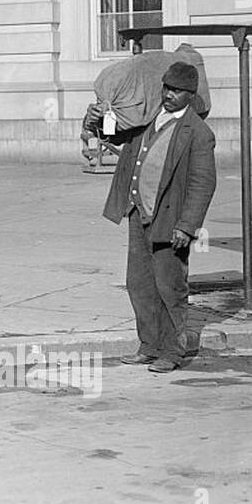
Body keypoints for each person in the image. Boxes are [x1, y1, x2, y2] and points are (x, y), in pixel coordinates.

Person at [90, 61, 217, 373]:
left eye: (177, 91)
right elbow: (115, 137)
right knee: (140, 285)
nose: (169, 95)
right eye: (166, 88)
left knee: (170, 287)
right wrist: (97, 122)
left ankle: (172, 352)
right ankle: (148, 346)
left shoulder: (198, 133)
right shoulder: (148, 119)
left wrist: (188, 227)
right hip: (138, 214)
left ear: (191, 95)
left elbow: (203, 184)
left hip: (171, 221)